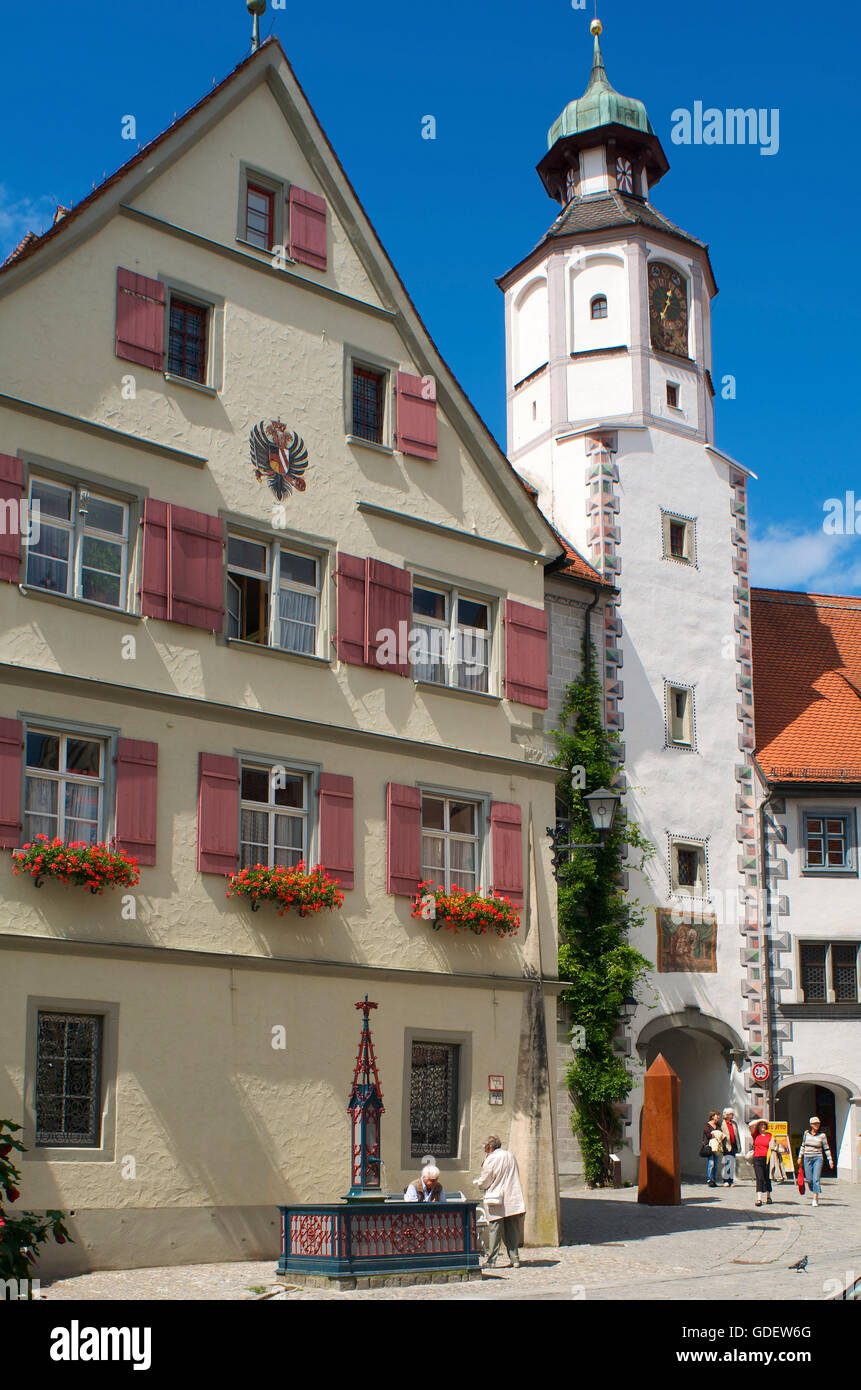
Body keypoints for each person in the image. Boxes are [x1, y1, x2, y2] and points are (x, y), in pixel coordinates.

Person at [473, 1135, 525, 1269]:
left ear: (490, 1147)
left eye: (485, 1148)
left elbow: (486, 1179)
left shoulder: (492, 1158)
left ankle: (491, 1260)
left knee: (495, 1230)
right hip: (512, 1196)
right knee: (512, 1230)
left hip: (497, 1198)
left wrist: (480, 1184)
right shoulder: (510, 1155)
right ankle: (515, 1259)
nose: (485, 1151)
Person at [798, 1117, 833, 1207]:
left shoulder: (822, 1135)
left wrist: (830, 1160)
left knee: (816, 1179)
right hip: (807, 1157)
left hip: (818, 1157)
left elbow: (826, 1148)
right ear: (811, 1125)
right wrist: (799, 1157)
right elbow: (803, 1145)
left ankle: (815, 1198)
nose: (816, 1125)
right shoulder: (806, 1134)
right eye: (814, 1123)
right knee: (809, 1179)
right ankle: (814, 1189)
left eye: (817, 1123)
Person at [747, 1120, 774, 1206]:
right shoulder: (755, 1134)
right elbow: (750, 1125)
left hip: (767, 1158)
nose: (763, 1126)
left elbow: (773, 1145)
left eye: (764, 1125)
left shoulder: (769, 1135)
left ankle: (768, 1196)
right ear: (758, 1126)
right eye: (761, 1125)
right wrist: (760, 1120)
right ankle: (759, 1199)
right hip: (757, 1158)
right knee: (760, 1177)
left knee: (767, 1177)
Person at [720, 1108, 743, 1186]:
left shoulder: (734, 1123)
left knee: (732, 1163)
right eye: (731, 1114)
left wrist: (739, 1145)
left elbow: (737, 1135)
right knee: (728, 1162)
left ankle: (731, 1180)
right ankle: (726, 1180)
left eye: (732, 1114)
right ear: (726, 1115)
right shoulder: (722, 1123)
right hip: (726, 1145)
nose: (732, 1115)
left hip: (733, 1145)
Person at [702, 1110, 724, 1187]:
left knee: (716, 1164)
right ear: (712, 1116)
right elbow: (708, 1135)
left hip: (716, 1146)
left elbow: (721, 1134)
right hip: (710, 1146)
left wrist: (715, 1134)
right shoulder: (707, 1125)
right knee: (711, 1163)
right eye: (717, 1115)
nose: (718, 1117)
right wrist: (716, 1134)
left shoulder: (718, 1125)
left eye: (719, 1115)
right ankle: (709, 1179)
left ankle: (713, 1180)